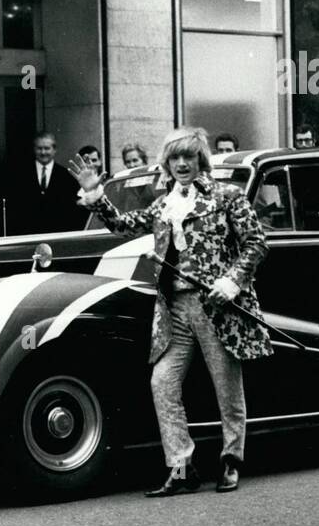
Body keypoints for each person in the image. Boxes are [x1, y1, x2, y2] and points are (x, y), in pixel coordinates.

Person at [71, 127, 272, 496]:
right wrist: (95, 195)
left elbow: (257, 244)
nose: (181, 164)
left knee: (226, 387)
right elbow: (122, 224)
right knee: (162, 383)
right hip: (174, 308)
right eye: (174, 158)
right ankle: (181, 467)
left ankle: (231, 460)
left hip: (216, 307)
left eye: (188, 157)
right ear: (166, 163)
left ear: (200, 161)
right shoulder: (164, 204)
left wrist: (231, 282)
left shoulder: (228, 197)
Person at [8, 131, 83, 234]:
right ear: (34, 149)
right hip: (28, 234)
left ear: (54, 150)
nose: (43, 152)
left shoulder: (66, 176)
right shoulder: (21, 174)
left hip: (57, 234)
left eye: (47, 148)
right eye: (39, 148)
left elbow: (70, 211)